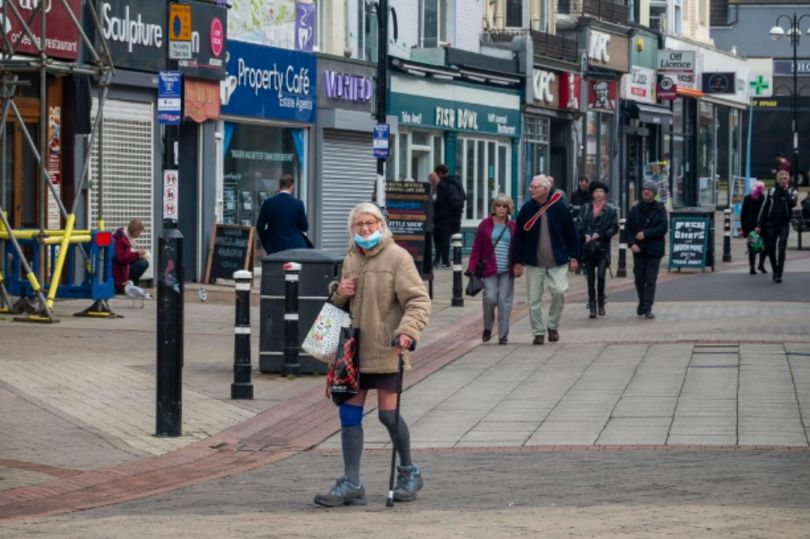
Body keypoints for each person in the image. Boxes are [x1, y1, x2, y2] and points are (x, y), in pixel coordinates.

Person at [314, 203, 431, 507]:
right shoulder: (351, 258)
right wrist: (340, 293)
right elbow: (340, 304)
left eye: (370, 222)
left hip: (387, 348)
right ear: (352, 229)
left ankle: (409, 472)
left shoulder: (398, 257)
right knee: (348, 414)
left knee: (387, 415)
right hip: (353, 351)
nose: (365, 228)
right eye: (359, 224)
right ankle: (352, 483)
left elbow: (418, 301)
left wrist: (408, 331)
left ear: (381, 224)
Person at [512, 175, 580, 345]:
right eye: (531, 187)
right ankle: (538, 332)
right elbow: (519, 237)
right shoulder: (527, 209)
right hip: (534, 261)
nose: (531, 190)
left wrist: (574, 257)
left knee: (559, 292)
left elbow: (571, 233)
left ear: (545, 189)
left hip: (558, 260)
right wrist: (517, 261)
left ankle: (552, 325)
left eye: (535, 187)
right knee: (534, 299)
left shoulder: (559, 207)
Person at [467, 194, 516, 345]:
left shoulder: (513, 226)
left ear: (509, 209)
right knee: (490, 298)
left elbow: (518, 248)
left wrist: (519, 263)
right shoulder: (485, 224)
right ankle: (488, 327)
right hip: (489, 269)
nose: (501, 208)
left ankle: (503, 335)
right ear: (494, 207)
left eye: (504, 206)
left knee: (504, 301)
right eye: (498, 205)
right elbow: (477, 247)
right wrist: (471, 267)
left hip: (507, 270)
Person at [626, 181, 668, 319]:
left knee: (650, 279)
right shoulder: (635, 209)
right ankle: (642, 301)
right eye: (644, 189)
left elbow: (663, 228)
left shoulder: (660, 209)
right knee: (639, 279)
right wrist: (631, 244)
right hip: (639, 249)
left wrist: (646, 234)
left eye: (649, 190)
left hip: (654, 250)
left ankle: (647, 307)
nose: (646, 191)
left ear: (654, 193)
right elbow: (628, 229)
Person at [578, 181, 618, 318]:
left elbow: (614, 227)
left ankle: (601, 302)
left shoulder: (610, 210)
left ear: (605, 194)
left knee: (601, 276)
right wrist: (585, 235)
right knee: (590, 278)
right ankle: (592, 305)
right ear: (592, 194)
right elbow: (579, 224)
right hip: (588, 249)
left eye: (601, 192)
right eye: (596, 192)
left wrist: (601, 235)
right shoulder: (585, 208)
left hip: (602, 249)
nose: (599, 194)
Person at [757, 170, 799, 283]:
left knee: (781, 248)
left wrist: (785, 192)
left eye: (785, 178)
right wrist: (759, 225)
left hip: (784, 224)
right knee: (771, 249)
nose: (783, 180)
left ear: (788, 180)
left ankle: (779, 274)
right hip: (771, 224)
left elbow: (792, 203)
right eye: (781, 178)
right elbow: (764, 209)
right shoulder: (771, 191)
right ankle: (775, 270)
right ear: (777, 179)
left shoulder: (792, 191)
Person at [255, 174, 310, 255]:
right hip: (296, 247)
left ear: (279, 186)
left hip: (275, 248)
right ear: (292, 187)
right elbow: (304, 227)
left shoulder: (268, 203)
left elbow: (259, 227)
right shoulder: (298, 204)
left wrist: (268, 241)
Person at [432, 164, 465, 268]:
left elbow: (440, 202)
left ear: (439, 173)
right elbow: (464, 196)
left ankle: (445, 261)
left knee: (444, 239)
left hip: (444, 217)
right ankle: (457, 260)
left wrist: (433, 206)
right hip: (457, 215)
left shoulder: (441, 184)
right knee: (456, 239)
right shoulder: (457, 182)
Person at [113, 219, 149, 294]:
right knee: (142, 264)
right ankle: (127, 286)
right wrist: (137, 254)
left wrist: (138, 255)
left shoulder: (125, 236)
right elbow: (120, 258)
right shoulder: (120, 238)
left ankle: (131, 285)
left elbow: (127, 253)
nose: (139, 235)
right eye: (138, 233)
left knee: (143, 262)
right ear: (135, 231)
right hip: (119, 269)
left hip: (122, 265)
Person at [740, 181, 767, 275]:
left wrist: (743, 228)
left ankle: (752, 267)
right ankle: (761, 264)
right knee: (763, 245)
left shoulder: (747, 198)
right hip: (761, 225)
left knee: (752, 247)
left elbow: (743, 214)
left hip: (749, 226)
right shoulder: (763, 198)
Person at [428, 171, 441, 267]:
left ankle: (438, 258)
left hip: (439, 218)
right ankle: (434, 258)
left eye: (432, 180)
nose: (431, 182)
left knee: (438, 239)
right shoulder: (430, 189)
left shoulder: (441, 189)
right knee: (433, 239)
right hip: (431, 217)